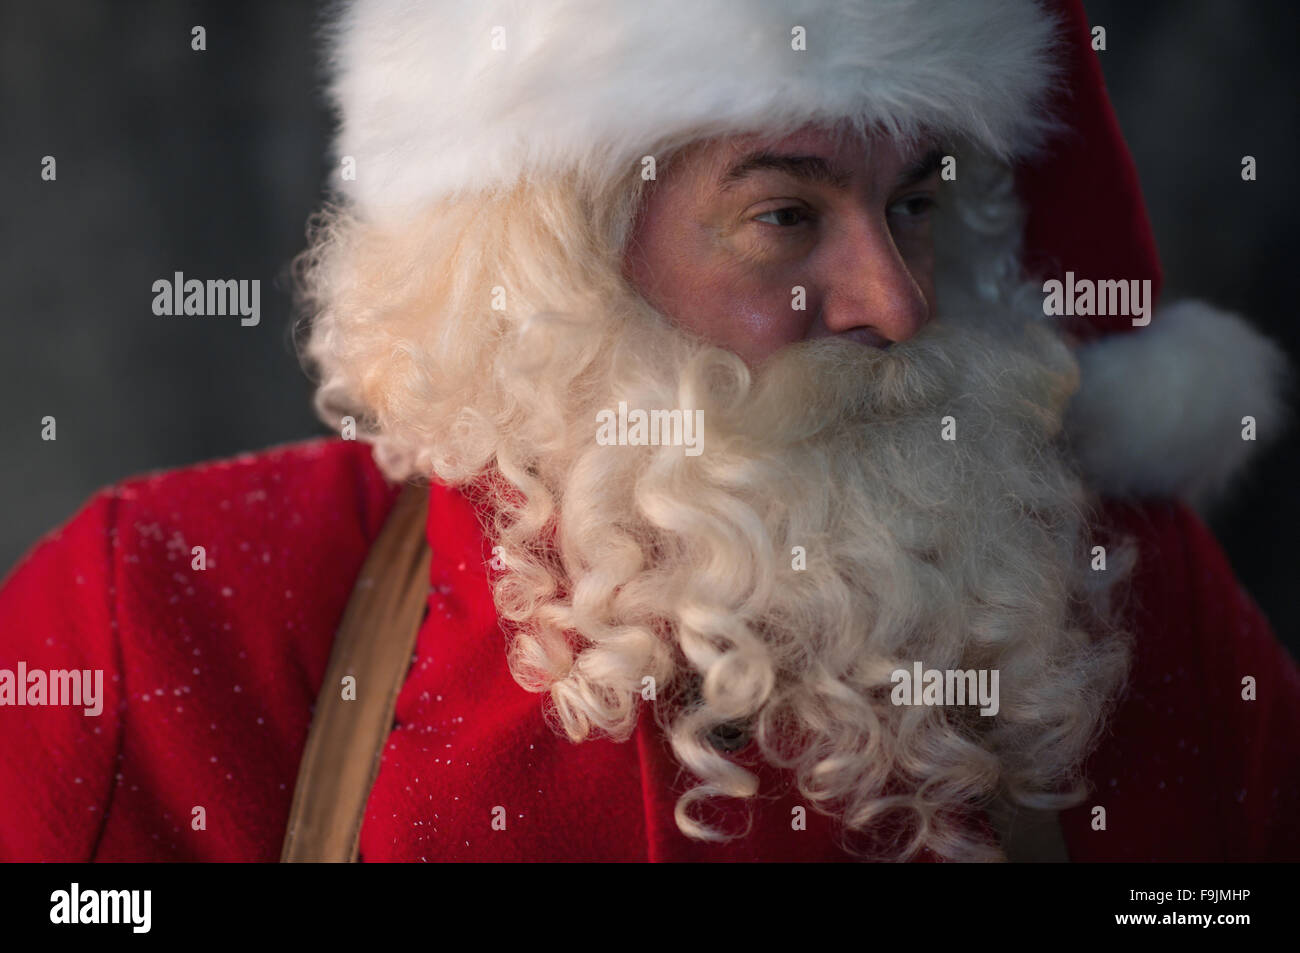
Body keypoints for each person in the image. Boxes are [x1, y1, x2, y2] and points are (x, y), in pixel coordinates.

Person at [1, 0, 1296, 863]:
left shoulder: (1124, 594)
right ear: (554, 259)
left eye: (916, 204)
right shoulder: (158, 618)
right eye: (786, 216)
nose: (897, 302)